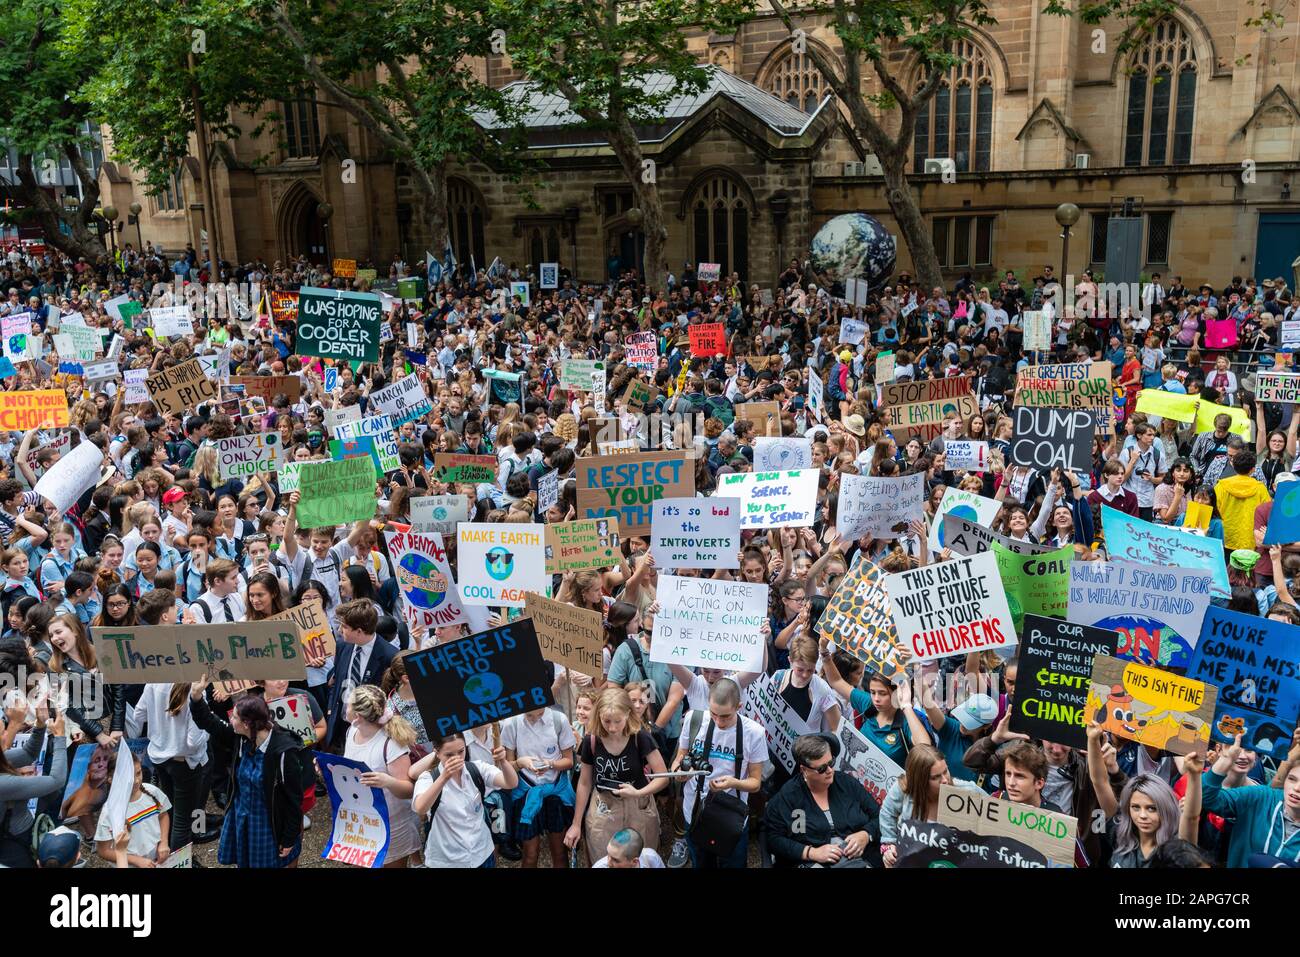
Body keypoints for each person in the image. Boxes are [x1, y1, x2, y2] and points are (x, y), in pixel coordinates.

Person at [187, 679, 305, 868]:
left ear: (247, 723)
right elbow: (208, 721)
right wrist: (196, 696)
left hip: (267, 824)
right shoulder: (240, 738)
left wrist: (289, 838)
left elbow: (293, 800)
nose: (230, 720)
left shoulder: (283, 751)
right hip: (242, 817)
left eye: (234, 717)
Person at [564, 686, 668, 866]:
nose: (612, 728)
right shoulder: (592, 740)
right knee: (603, 857)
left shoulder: (640, 737)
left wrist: (637, 792)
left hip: (638, 806)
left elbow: (663, 777)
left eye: (618, 721)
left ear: (628, 714)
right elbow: (585, 783)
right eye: (606, 721)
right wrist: (575, 823)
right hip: (604, 807)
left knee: (639, 857)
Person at [674, 678, 768, 868]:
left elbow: (755, 782)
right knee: (700, 863)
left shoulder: (754, 732)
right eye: (713, 713)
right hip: (694, 811)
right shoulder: (694, 719)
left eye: (725, 716)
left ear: (739, 707)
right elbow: (679, 758)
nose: (718, 721)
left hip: (730, 816)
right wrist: (680, 773)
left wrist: (733, 783)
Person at [764, 733, 879, 868]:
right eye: (821, 768)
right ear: (804, 770)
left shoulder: (846, 783)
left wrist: (866, 834)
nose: (830, 771)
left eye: (831, 763)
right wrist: (811, 852)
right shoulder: (788, 797)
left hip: (861, 858)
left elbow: (879, 816)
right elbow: (773, 838)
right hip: (811, 862)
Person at [410, 730, 518, 868]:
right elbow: (420, 807)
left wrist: (503, 760)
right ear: (437, 753)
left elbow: (511, 783)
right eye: (449, 755)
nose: (457, 758)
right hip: (447, 860)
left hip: (481, 852)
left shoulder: (476, 769)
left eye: (461, 751)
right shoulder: (428, 778)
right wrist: (444, 778)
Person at [342, 684, 421, 867]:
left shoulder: (390, 744)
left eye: (348, 705)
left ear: (358, 716)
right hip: (363, 824)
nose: (345, 707)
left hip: (391, 827)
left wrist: (388, 782)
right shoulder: (351, 732)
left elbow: (408, 790)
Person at [1201, 732, 1300, 867]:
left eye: (1248, 750)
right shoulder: (1262, 797)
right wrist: (1225, 760)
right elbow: (1207, 798)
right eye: (1292, 779)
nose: (1297, 788)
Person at [0, 702, 68, 868]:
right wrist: (60, 736)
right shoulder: (3, 785)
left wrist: (39, 724)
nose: (7, 736)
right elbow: (56, 780)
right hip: (12, 845)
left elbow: (28, 753)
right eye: (3, 732)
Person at [93, 750, 172, 867]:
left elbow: (163, 816)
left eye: (138, 773)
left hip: (156, 860)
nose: (136, 780)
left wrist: (164, 842)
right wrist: (136, 860)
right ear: (111, 779)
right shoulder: (109, 812)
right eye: (128, 777)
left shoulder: (152, 791)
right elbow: (104, 851)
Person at [591, 827, 665, 868]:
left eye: (615, 860)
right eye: (608, 854)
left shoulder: (651, 858)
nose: (609, 863)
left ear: (634, 861)